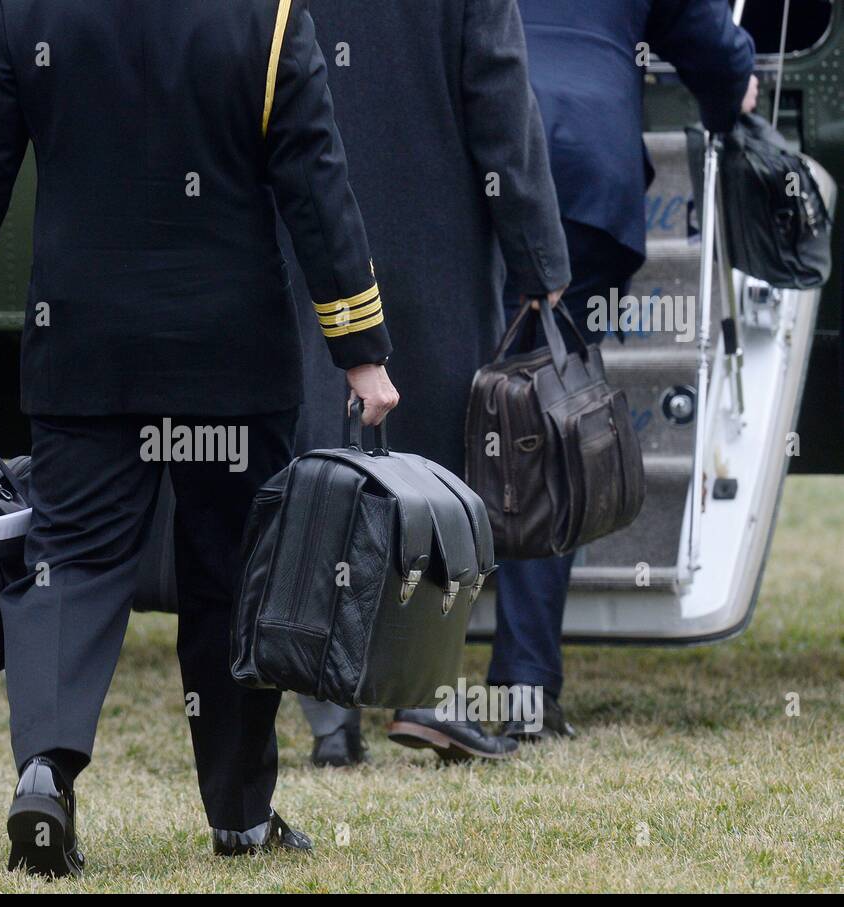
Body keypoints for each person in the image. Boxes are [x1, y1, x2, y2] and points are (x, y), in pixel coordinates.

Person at [0, 0, 399, 877]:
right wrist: (360, 352)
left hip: (86, 351)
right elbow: (316, 182)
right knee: (230, 583)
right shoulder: (270, 16)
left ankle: (44, 774)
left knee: (71, 563)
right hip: (230, 359)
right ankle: (243, 817)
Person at [289, 0, 571, 767]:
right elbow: (500, 98)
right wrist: (539, 261)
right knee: (438, 468)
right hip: (437, 231)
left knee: (322, 459)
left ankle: (329, 721)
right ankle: (423, 693)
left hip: (307, 239)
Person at [478, 0, 759, 742]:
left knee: (467, 392)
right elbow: (715, 48)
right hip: (581, 176)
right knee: (547, 409)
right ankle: (523, 686)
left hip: (476, 166)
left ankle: (382, 679)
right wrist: (735, 100)